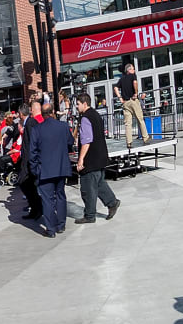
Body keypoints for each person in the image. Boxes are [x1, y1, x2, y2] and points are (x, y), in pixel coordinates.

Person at [73, 93, 120, 224]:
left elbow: (87, 140)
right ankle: (112, 202)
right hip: (100, 156)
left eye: (78, 104)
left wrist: (81, 159)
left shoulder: (86, 118)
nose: (76, 107)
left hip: (91, 159)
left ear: (84, 104)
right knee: (99, 183)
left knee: (87, 188)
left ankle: (89, 215)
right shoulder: (96, 115)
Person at [29, 100, 72, 238]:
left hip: (45, 170)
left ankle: (51, 228)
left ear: (42, 114)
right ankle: (61, 224)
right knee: (60, 196)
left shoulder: (37, 130)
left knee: (47, 199)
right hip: (60, 168)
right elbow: (70, 142)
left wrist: (35, 170)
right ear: (53, 112)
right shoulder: (63, 126)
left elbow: (32, 153)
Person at [114, 62, 151, 147]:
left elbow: (115, 88)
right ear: (129, 70)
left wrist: (120, 98)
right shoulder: (133, 75)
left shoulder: (122, 79)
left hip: (125, 103)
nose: (134, 70)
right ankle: (145, 137)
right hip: (133, 100)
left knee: (128, 123)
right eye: (133, 68)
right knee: (140, 119)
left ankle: (129, 142)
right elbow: (135, 83)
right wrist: (136, 93)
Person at [18, 100, 43, 221]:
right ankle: (35, 209)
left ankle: (37, 208)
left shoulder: (30, 123)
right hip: (27, 159)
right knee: (28, 185)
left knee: (25, 183)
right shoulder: (29, 123)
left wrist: (30, 160)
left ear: (21, 114)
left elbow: (32, 143)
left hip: (29, 160)